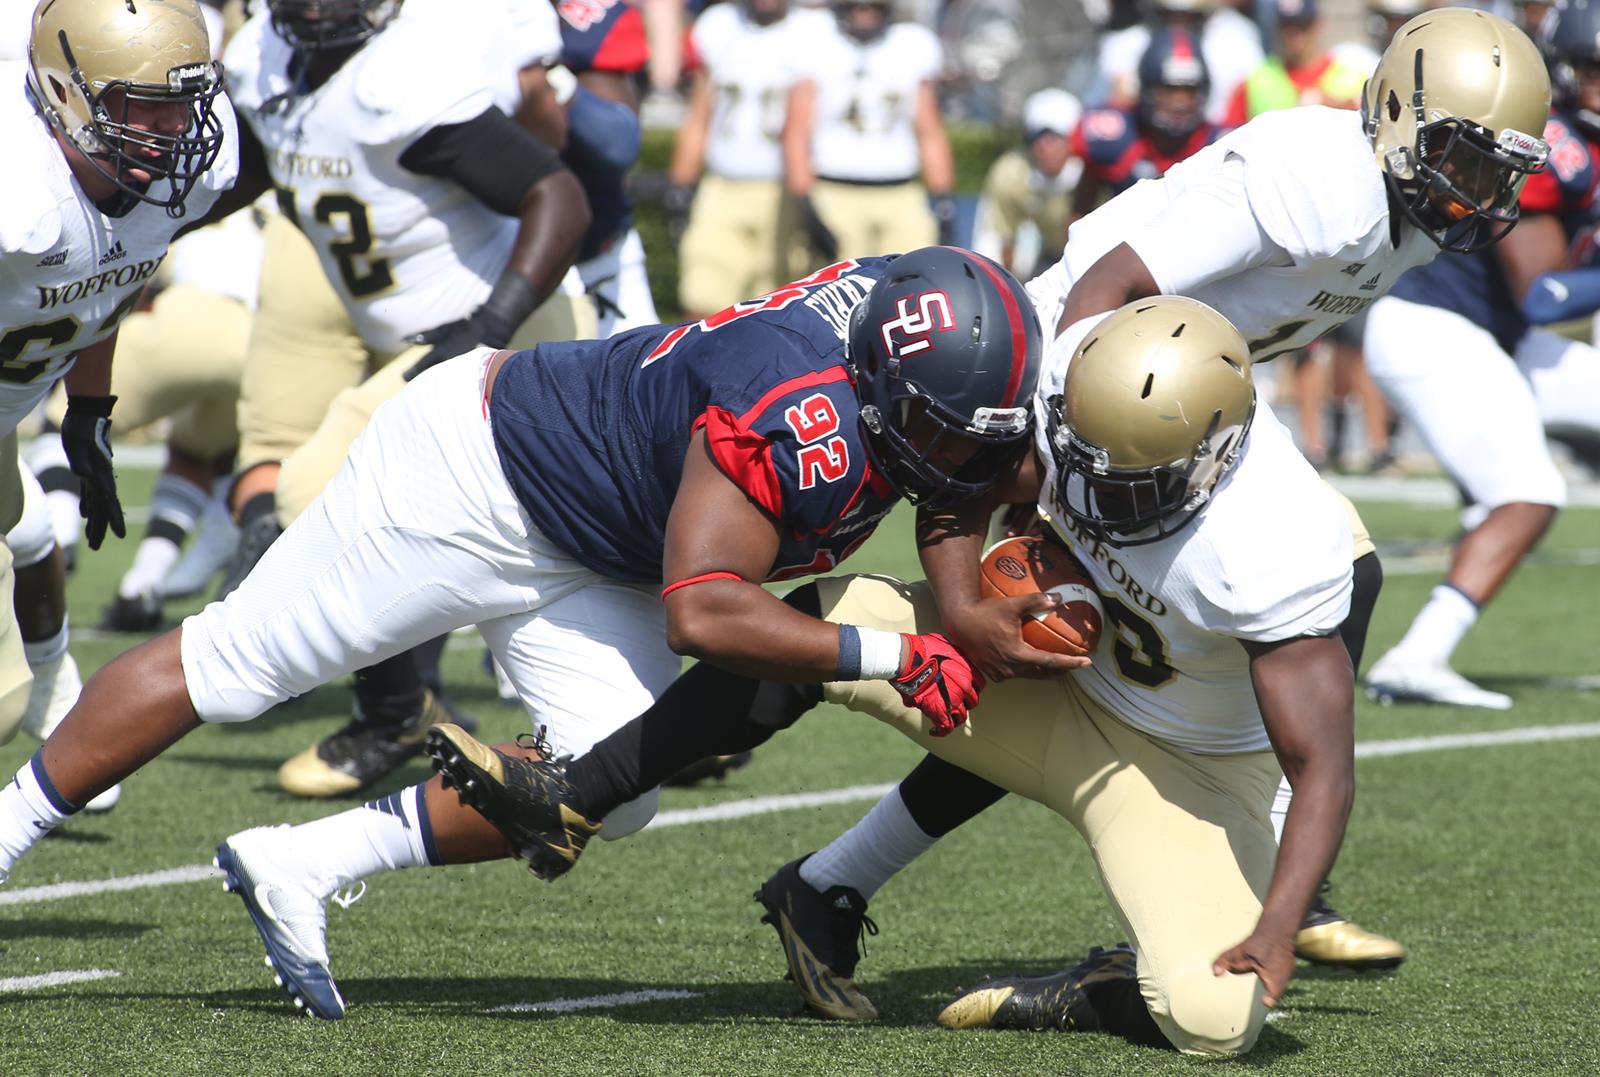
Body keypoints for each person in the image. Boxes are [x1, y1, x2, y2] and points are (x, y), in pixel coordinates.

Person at [425, 6, 1552, 1014]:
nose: (1476, 192)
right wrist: (1047, 454)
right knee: (1008, 637)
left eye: (1494, 171)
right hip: (1094, 391)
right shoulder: (1319, 176)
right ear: (1398, 113)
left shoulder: (1403, 208)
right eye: (1460, 156)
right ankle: (594, 788)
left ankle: (836, 879)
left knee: (1078, 648)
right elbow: (1108, 284)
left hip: (1181, 419)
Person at [0, 247, 1046, 1023]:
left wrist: (964, 614)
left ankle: (301, 862)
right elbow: (705, 611)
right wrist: (895, 653)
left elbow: (956, 482)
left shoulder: (929, 340)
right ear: (870, 382)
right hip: (475, 474)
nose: (955, 458)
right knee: (235, 664)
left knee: (606, 789)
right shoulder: (798, 409)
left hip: (599, 543)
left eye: (974, 434)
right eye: (933, 431)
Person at [208, 0, 595, 797]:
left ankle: (398, 715)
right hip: (423, 337)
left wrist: (487, 324)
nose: (319, 7)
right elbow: (253, 170)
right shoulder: (263, 63)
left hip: (511, 326)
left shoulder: (404, 75)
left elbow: (560, 197)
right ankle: (406, 709)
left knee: (316, 486)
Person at [0, 0, 237, 751]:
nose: (174, 132)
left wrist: (88, 409)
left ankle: (55, 684)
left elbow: (105, 277)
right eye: (146, 108)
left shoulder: (174, 171)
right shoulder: (17, 190)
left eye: (182, 107)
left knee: (28, 526)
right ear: (65, 97)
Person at [1362, 0, 1600, 709]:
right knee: (1529, 492)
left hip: (1490, 336)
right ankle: (1416, 655)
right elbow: (1546, 295)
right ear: (1562, 67)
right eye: (1591, 68)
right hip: (1434, 328)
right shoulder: (1556, 143)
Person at [668, 0, 828, 319]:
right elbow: (701, 109)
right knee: (703, 297)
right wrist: (681, 182)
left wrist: (806, 193)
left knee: (779, 303)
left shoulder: (813, 29)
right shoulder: (719, 24)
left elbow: (804, 121)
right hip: (723, 183)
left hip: (781, 187)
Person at [781, 0, 955, 265]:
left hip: (900, 191)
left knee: (913, 280)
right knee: (840, 293)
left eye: (872, 6)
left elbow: (928, 128)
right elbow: (796, 131)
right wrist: (805, 201)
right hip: (834, 190)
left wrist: (943, 198)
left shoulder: (913, 44)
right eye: (856, 6)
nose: (864, 10)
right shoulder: (815, 43)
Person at [1071, 27, 1222, 216]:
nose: (1180, 102)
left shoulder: (1223, 144)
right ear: (1147, 88)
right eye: (1170, 90)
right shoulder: (1115, 133)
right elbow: (1079, 217)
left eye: (1188, 91)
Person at [972, 88, 1082, 280]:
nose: (1045, 147)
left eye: (1056, 137)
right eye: (1037, 137)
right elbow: (996, 240)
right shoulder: (1011, 173)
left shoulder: (1099, 169)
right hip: (1049, 258)